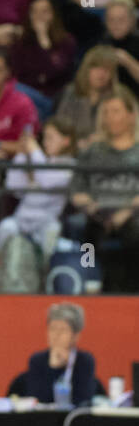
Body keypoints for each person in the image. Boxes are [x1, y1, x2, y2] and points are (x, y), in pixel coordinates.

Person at [66, 89, 139, 291]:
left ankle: (133, 289)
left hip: (132, 214)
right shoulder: (92, 151)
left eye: (115, 111)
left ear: (131, 115)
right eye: (105, 112)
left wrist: (127, 212)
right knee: (82, 230)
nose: (109, 118)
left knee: (136, 233)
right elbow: (77, 188)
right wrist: (91, 207)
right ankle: (90, 278)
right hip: (96, 213)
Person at [0, 120, 75, 257]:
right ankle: (2, 273)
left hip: (46, 223)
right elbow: (13, 186)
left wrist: (34, 150)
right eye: (45, 137)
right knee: (5, 227)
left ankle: (47, 274)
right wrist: (22, 153)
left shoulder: (70, 165)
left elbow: (46, 181)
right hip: (22, 219)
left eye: (51, 137)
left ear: (66, 141)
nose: (46, 142)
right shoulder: (38, 158)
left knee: (52, 232)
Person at [12, 303, 98, 407]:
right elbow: (37, 400)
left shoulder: (84, 361)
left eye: (63, 330)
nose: (56, 335)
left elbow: (83, 400)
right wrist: (52, 368)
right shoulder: (37, 360)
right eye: (52, 329)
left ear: (76, 336)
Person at [54, 45, 135, 148]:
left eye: (107, 69)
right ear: (86, 69)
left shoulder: (118, 96)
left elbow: (130, 129)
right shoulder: (71, 93)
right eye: (96, 67)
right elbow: (59, 128)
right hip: (72, 152)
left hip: (109, 150)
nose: (101, 73)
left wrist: (103, 138)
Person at [9, 0, 77, 103]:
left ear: (54, 14)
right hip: (26, 96)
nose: (38, 16)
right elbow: (18, 74)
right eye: (34, 11)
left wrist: (43, 39)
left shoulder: (66, 42)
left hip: (56, 98)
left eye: (44, 12)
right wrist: (40, 77)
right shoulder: (20, 43)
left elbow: (53, 72)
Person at [99, 0, 139, 94]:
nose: (115, 25)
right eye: (111, 20)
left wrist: (128, 61)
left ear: (132, 20)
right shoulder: (102, 43)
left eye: (121, 20)